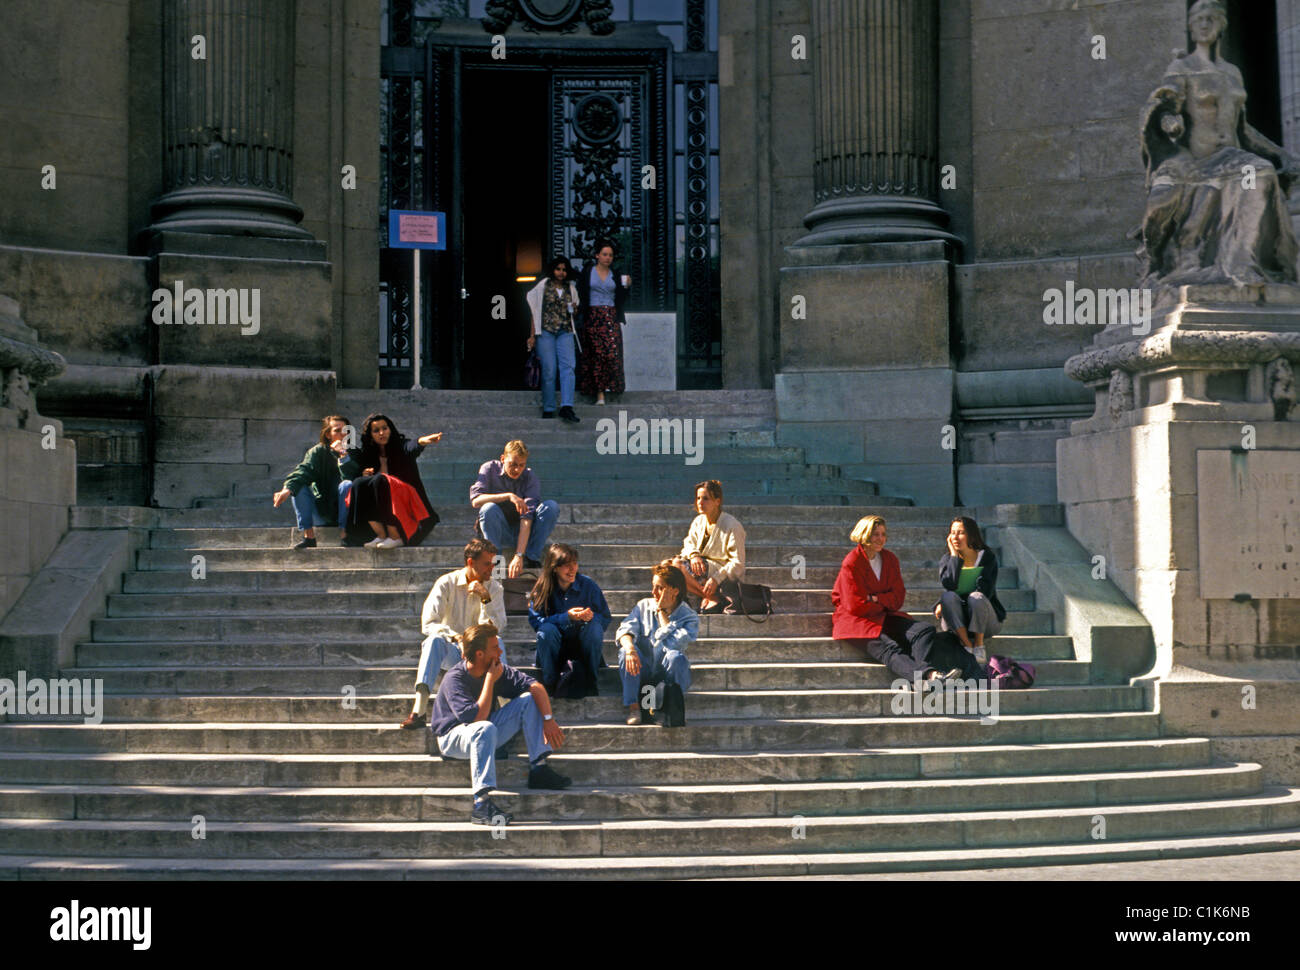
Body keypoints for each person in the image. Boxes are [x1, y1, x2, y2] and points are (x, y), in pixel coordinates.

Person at [1137, 0, 1300, 288]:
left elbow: (1244, 129)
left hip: (1232, 157)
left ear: (1222, 25)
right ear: (1190, 26)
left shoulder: (1233, 73)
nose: (1204, 24)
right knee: (1161, 201)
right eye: (1198, 19)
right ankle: (1153, 260)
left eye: (1211, 18)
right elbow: (1166, 105)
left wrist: (1283, 156)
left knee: (1260, 172)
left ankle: (1243, 265)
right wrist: (1168, 122)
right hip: (1194, 160)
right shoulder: (1182, 66)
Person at [430, 622, 571, 826]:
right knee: (483, 728)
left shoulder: (497, 670)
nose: (501, 651)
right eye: (495, 648)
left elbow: (535, 686)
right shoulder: (455, 679)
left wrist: (548, 720)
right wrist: (489, 680)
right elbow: (476, 719)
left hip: (483, 729)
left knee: (530, 699)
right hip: (453, 737)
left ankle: (539, 768)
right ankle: (481, 804)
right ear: (479, 654)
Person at [831, 515, 981, 686]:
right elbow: (855, 605)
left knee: (924, 630)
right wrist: (884, 600)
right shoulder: (852, 562)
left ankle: (927, 673)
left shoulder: (890, 559)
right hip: (857, 622)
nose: (881, 539)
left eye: (883, 534)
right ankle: (928, 677)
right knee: (889, 647)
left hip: (883, 615)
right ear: (864, 535)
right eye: (875, 534)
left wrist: (874, 598)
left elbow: (898, 598)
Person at [399, 538, 507, 729]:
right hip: (454, 651)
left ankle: (505, 707)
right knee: (433, 641)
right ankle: (419, 710)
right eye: (486, 564)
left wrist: (486, 599)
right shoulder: (446, 583)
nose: (491, 569)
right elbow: (428, 622)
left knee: (497, 641)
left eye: (493, 564)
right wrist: (457, 638)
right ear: (470, 562)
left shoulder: (494, 589)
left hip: (480, 654)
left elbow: (496, 627)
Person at [617, 560, 698, 727]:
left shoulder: (689, 617)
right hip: (643, 668)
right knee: (626, 652)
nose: (653, 592)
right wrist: (630, 649)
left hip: (664, 674)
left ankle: (672, 707)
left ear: (675, 590)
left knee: (677, 658)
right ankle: (634, 708)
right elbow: (624, 630)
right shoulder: (643, 606)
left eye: (660, 588)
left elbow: (675, 645)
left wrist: (661, 612)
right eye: (653, 586)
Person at [343, 412, 441, 549]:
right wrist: (365, 474)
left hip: (406, 498)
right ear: (370, 435)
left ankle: (395, 536)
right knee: (359, 482)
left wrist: (424, 440)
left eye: (385, 428)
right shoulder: (369, 454)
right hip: (383, 503)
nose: (382, 433)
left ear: (391, 429)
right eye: (376, 431)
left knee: (380, 480)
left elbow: (413, 445)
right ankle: (381, 535)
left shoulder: (401, 446)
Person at [528, 543, 612, 698]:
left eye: (574, 563)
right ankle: (550, 684)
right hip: (553, 647)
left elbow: (605, 617)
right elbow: (536, 622)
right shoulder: (542, 588)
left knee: (594, 627)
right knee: (546, 631)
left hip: (581, 645)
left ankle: (591, 683)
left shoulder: (588, 585)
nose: (572, 569)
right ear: (554, 568)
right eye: (566, 565)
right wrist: (566, 617)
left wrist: (590, 617)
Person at [469, 439, 559, 577]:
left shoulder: (530, 477)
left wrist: (519, 555)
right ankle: (496, 561)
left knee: (551, 507)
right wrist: (508, 496)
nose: (517, 469)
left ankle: (531, 557)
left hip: (523, 532)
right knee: (488, 508)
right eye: (513, 464)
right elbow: (476, 501)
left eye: (521, 465)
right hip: (498, 530)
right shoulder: (489, 469)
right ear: (503, 459)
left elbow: (527, 518)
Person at [271, 414, 357, 549]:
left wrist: (343, 456)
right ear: (328, 435)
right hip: (322, 510)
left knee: (347, 484)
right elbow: (303, 471)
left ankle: (345, 535)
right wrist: (287, 489)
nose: (343, 434)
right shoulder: (318, 452)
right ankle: (309, 537)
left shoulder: (355, 452)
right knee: (297, 486)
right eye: (337, 430)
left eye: (346, 430)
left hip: (347, 512)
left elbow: (351, 478)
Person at [934, 517, 1006, 666]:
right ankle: (967, 644)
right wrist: (954, 556)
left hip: (984, 619)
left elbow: (986, 590)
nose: (955, 537)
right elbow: (949, 584)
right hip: (958, 621)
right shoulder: (947, 559)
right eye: (952, 532)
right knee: (947, 596)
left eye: (960, 533)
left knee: (977, 597)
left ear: (971, 535)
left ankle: (979, 645)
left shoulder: (987, 557)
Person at [675, 479, 745, 613]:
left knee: (677, 566)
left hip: (722, 573)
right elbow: (688, 543)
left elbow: (738, 563)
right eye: (698, 498)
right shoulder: (698, 521)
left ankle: (711, 596)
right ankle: (710, 597)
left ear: (717, 501)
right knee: (668, 566)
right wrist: (694, 555)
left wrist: (716, 578)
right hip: (700, 568)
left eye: (706, 499)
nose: (700, 503)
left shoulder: (732, 525)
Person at [574, 238, 631, 406]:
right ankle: (599, 394)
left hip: (611, 315)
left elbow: (622, 297)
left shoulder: (617, 273)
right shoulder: (587, 271)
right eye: (605, 254)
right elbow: (580, 292)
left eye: (611, 255)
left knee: (612, 352)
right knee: (597, 354)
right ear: (597, 255)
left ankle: (612, 387)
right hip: (593, 315)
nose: (608, 258)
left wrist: (627, 286)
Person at [525, 256, 582, 424]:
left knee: (568, 367)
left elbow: (575, 311)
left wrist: (575, 308)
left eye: (564, 270)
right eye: (558, 269)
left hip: (565, 331)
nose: (561, 273)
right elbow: (534, 312)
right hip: (546, 332)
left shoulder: (571, 288)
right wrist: (532, 335)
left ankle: (567, 406)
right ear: (552, 270)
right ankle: (549, 408)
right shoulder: (543, 286)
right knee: (549, 370)